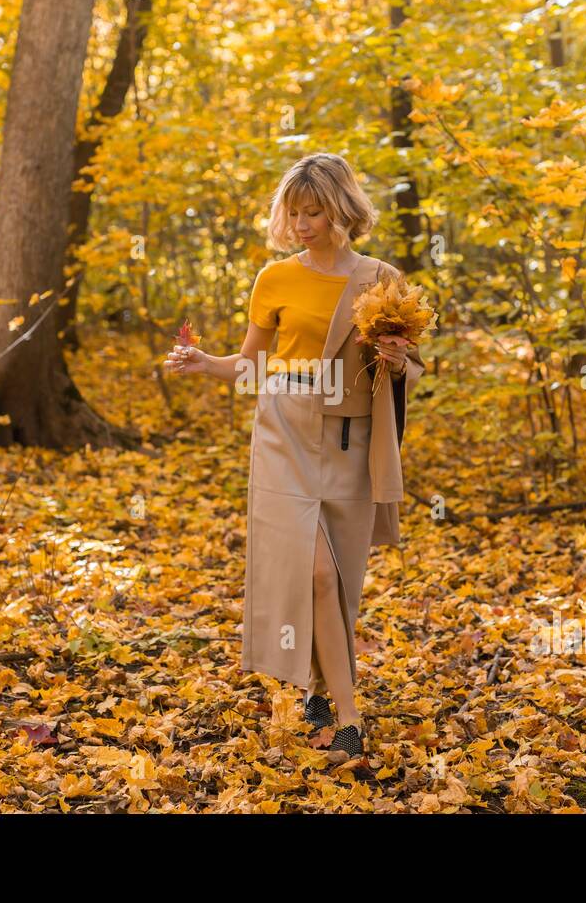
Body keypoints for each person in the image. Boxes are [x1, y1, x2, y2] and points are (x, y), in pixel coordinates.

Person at [163, 152, 424, 758]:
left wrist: (395, 359)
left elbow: (410, 363)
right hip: (283, 429)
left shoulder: (381, 277)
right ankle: (351, 720)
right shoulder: (274, 278)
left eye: (314, 212)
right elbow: (251, 364)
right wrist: (206, 363)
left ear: (342, 210)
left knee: (341, 584)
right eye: (295, 212)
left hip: (351, 440)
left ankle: (315, 693)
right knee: (315, 572)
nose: (302, 224)